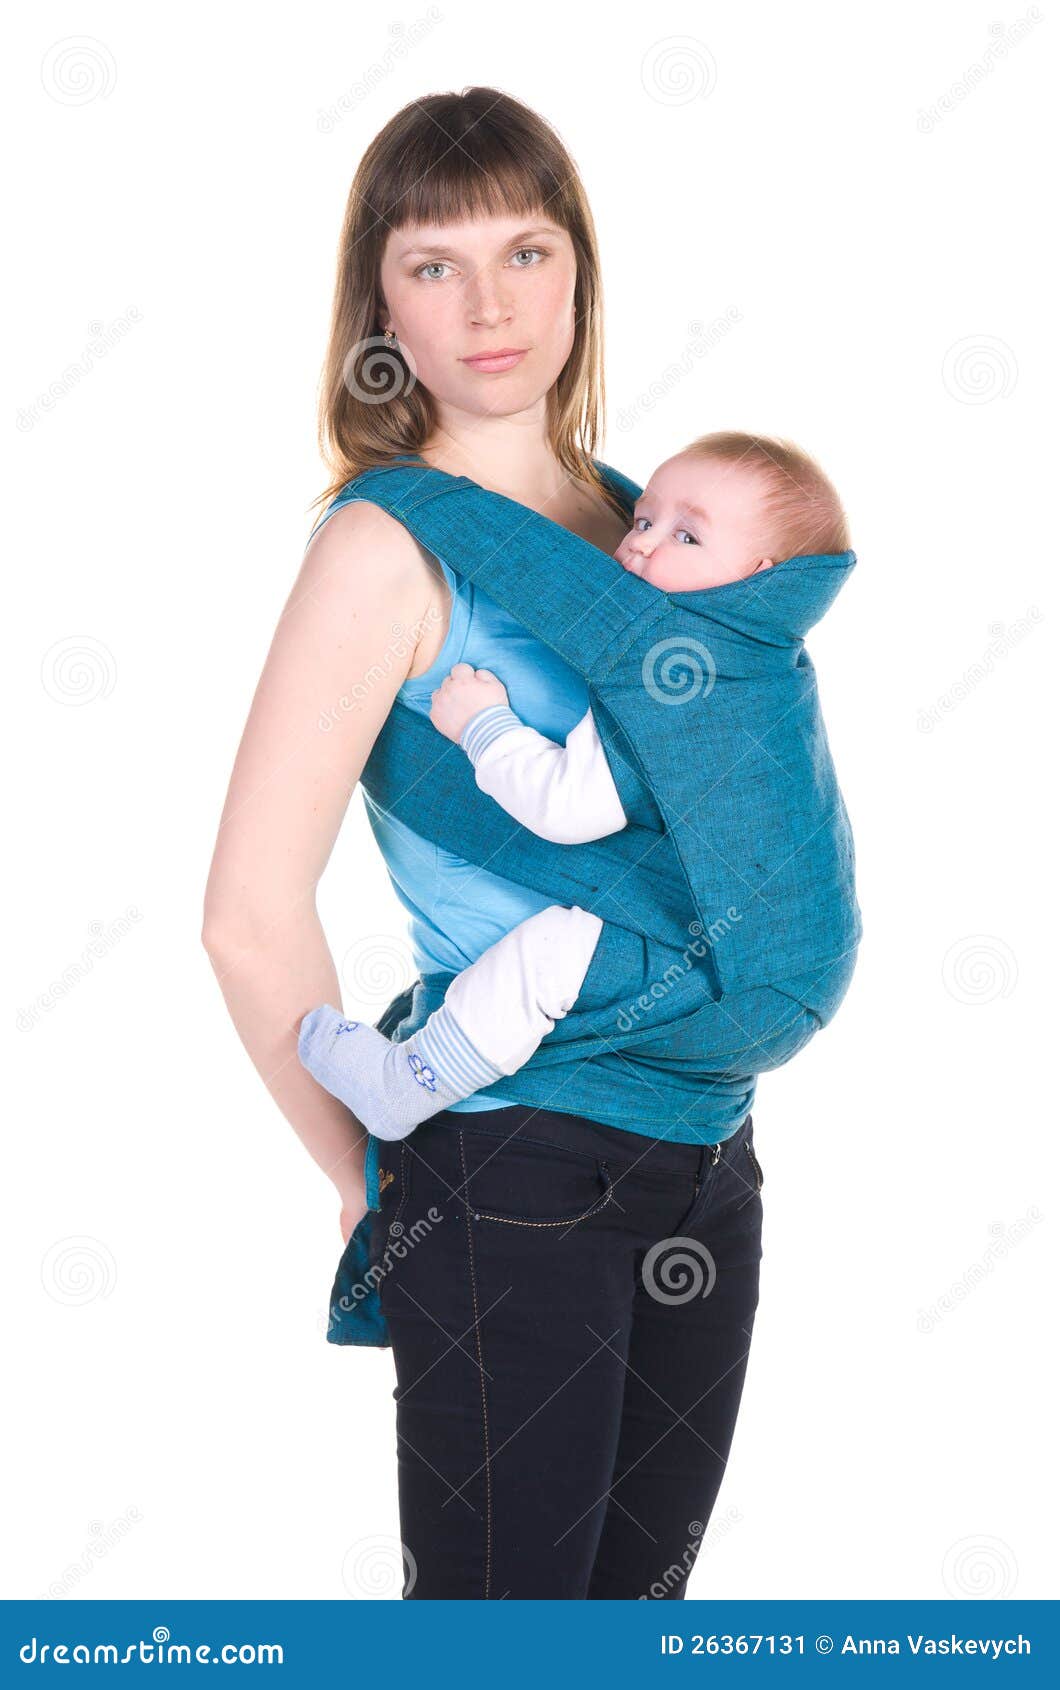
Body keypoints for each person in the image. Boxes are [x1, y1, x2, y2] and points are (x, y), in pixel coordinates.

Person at [203, 86, 830, 1599]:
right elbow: (245, 909)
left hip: (702, 1157)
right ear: (379, 304)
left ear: (580, 272)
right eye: (435, 264)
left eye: (528, 251)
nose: (491, 304)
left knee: (635, 1625)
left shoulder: (646, 524)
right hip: (511, 1168)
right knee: (499, 1638)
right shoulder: (389, 547)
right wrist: (369, 1176)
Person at [296, 431, 851, 1142]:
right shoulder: (763, 664)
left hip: (736, 981)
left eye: (687, 537)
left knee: (554, 953)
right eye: (644, 519)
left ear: (759, 576)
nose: (644, 544)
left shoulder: (682, 675)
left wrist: (485, 725)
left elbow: (568, 809)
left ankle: (411, 1082)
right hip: (782, 989)